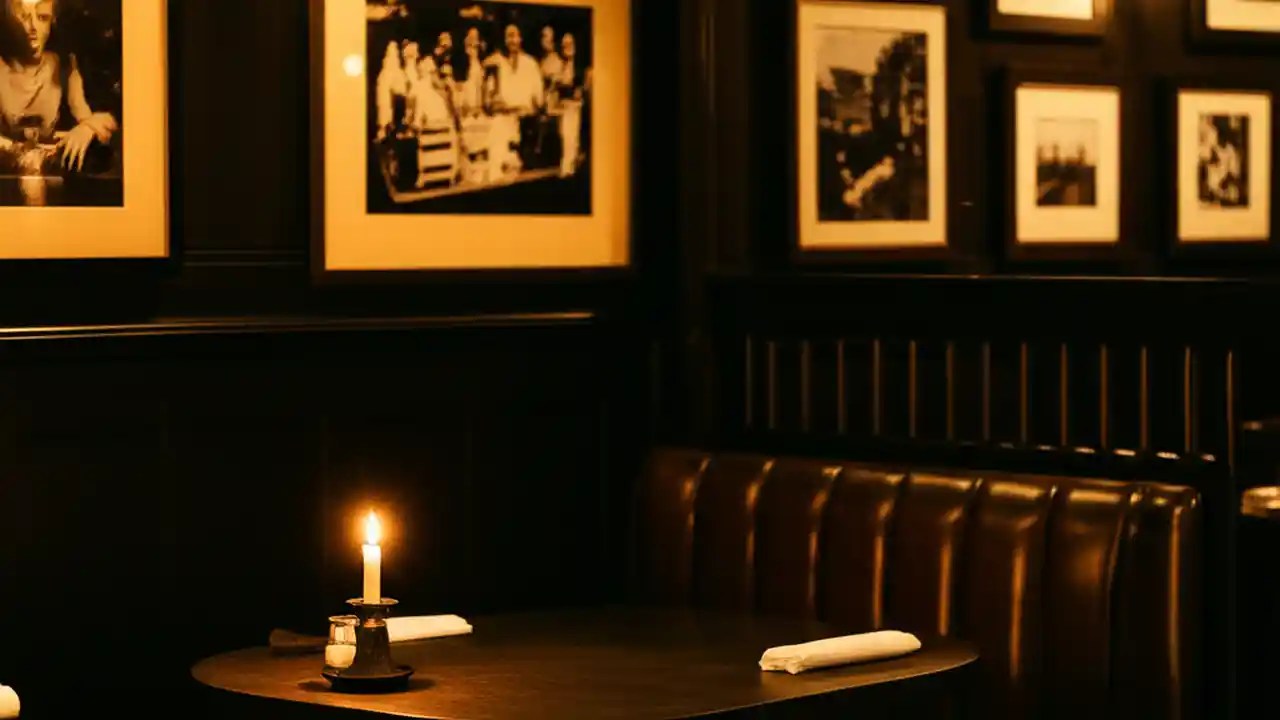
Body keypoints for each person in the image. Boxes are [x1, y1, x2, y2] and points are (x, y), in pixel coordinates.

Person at [0, 0, 118, 175]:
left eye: (42, 18)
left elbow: (89, 119)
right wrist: (14, 150)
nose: (33, 28)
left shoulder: (63, 66)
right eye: (24, 17)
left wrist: (87, 128)